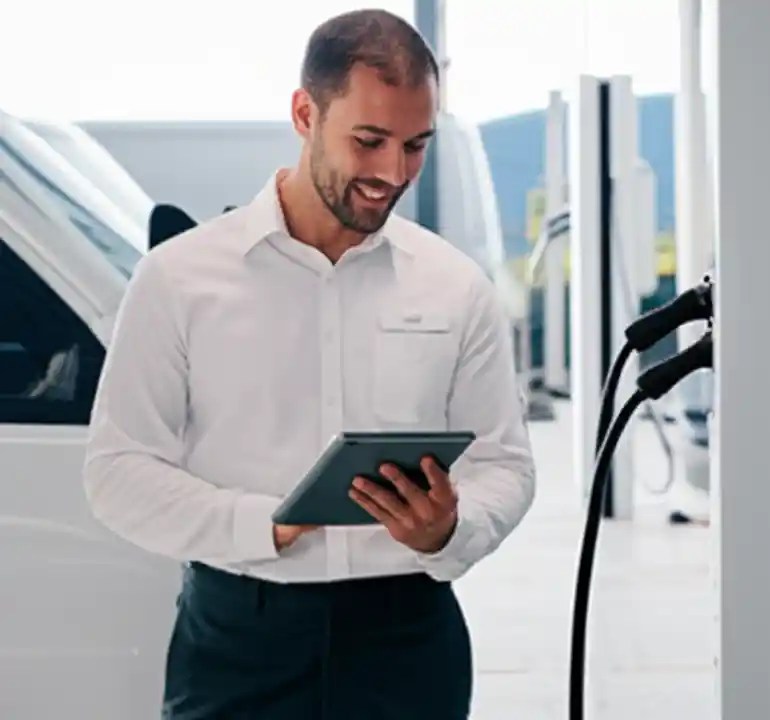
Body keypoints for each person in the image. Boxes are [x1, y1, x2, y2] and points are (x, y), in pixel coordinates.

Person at [81, 9, 535, 719]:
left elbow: (506, 464)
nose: (393, 172)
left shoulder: (454, 285)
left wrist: (452, 526)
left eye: (416, 145)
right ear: (304, 113)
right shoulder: (179, 279)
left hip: (409, 640)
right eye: (369, 140)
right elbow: (116, 471)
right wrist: (262, 524)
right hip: (238, 640)